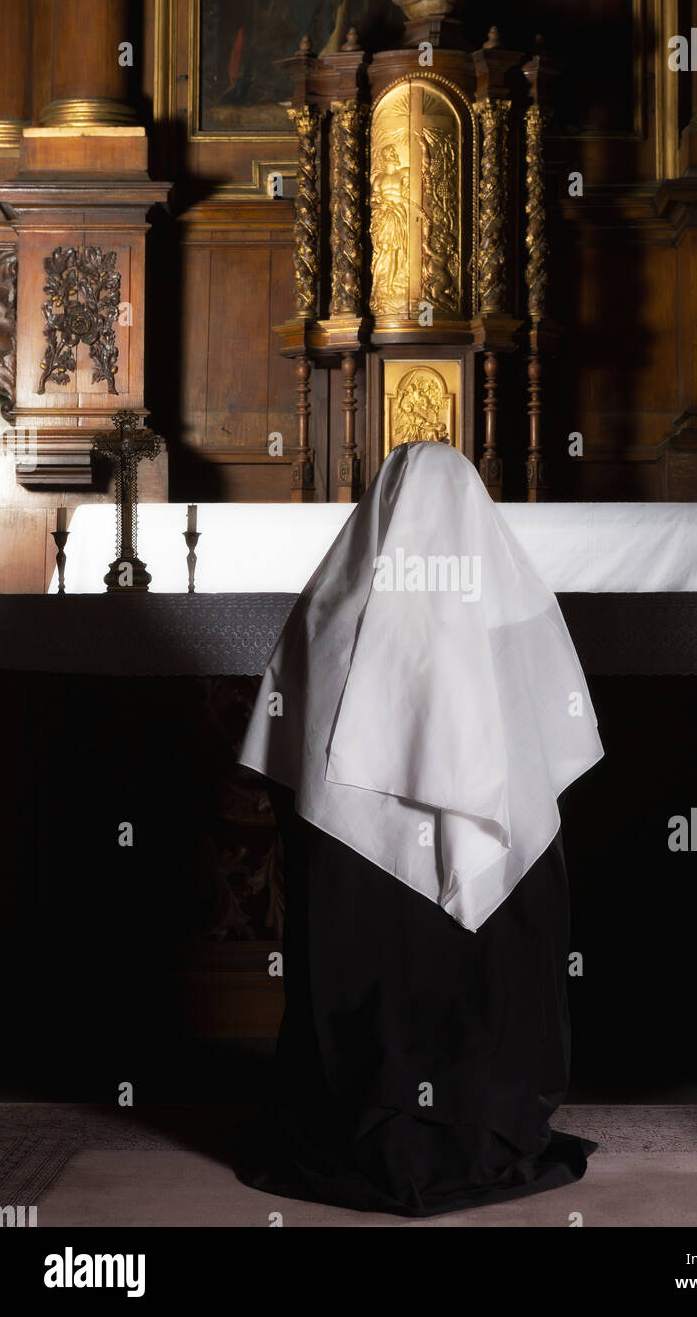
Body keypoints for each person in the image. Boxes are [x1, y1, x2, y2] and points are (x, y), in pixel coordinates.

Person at [235, 441, 604, 1217]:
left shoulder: (329, 608)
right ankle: (485, 1114)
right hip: (491, 918)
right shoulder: (523, 607)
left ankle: (364, 1112)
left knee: (346, 896)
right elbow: (552, 764)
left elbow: (284, 767)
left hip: (359, 898)